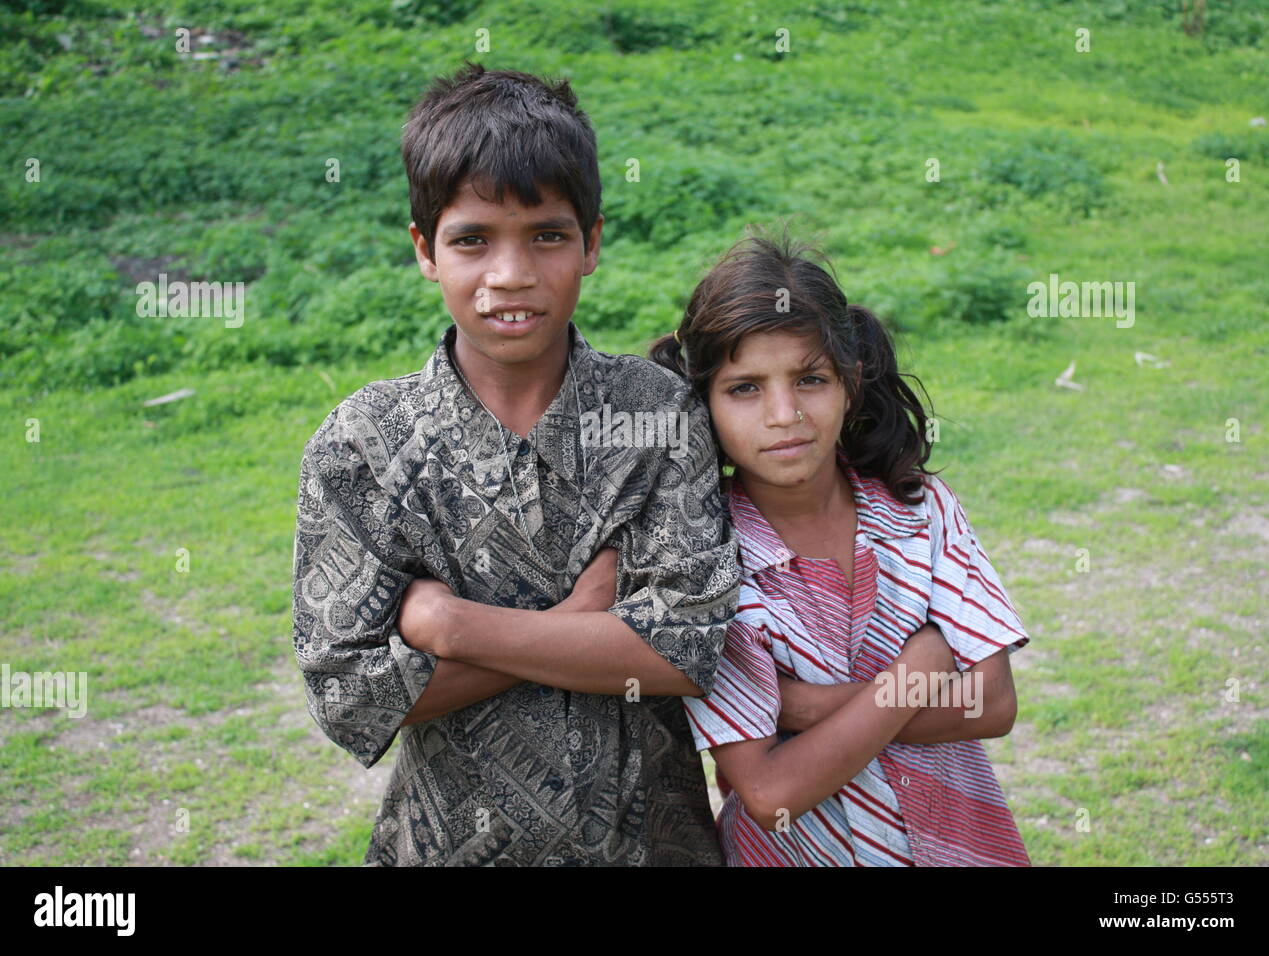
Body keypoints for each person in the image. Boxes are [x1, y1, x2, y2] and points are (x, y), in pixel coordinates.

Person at [291, 63, 739, 866]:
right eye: (472, 239)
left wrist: (453, 627)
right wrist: (581, 624)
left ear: (592, 241)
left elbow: (687, 647)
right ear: (425, 250)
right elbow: (351, 695)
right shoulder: (365, 443)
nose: (511, 274)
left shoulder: (659, 415)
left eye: (547, 235)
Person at [649, 227, 1032, 866]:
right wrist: (926, 662)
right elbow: (770, 792)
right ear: (704, 405)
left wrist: (804, 708)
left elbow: (992, 703)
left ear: (851, 382)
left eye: (810, 380)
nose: (783, 414)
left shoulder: (920, 509)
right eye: (745, 387)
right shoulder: (706, 560)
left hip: (961, 846)